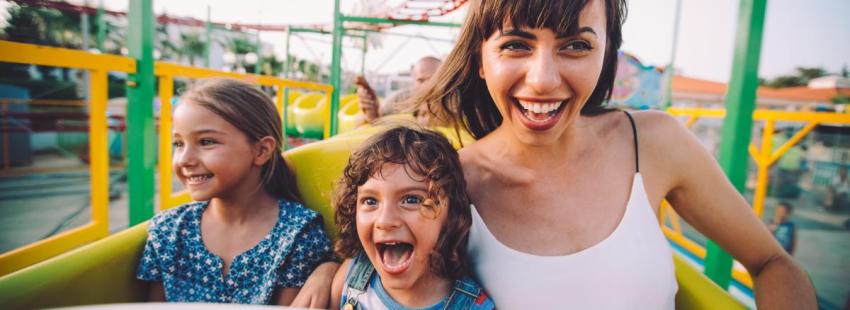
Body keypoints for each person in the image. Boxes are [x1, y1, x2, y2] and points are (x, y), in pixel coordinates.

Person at [298, 0, 817, 308]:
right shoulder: (447, 184)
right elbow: (385, 256)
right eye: (516, 46)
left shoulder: (653, 143)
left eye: (575, 46)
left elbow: (772, 263)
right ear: (481, 60)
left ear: (606, 52)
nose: (543, 79)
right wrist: (328, 270)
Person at [137, 78, 334, 304]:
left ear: (261, 150)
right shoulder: (167, 231)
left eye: (206, 141)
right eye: (179, 144)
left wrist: (328, 269)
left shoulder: (298, 234)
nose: (185, 159)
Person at [329, 127, 493, 310]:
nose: (385, 221)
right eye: (370, 201)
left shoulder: (471, 306)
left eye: (411, 200)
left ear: (451, 213)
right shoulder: (353, 273)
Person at [356, 56, 442, 125]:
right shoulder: (400, 99)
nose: (427, 86)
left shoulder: (452, 102)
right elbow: (359, 124)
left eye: (433, 80)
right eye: (421, 80)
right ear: (414, 79)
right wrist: (372, 115)